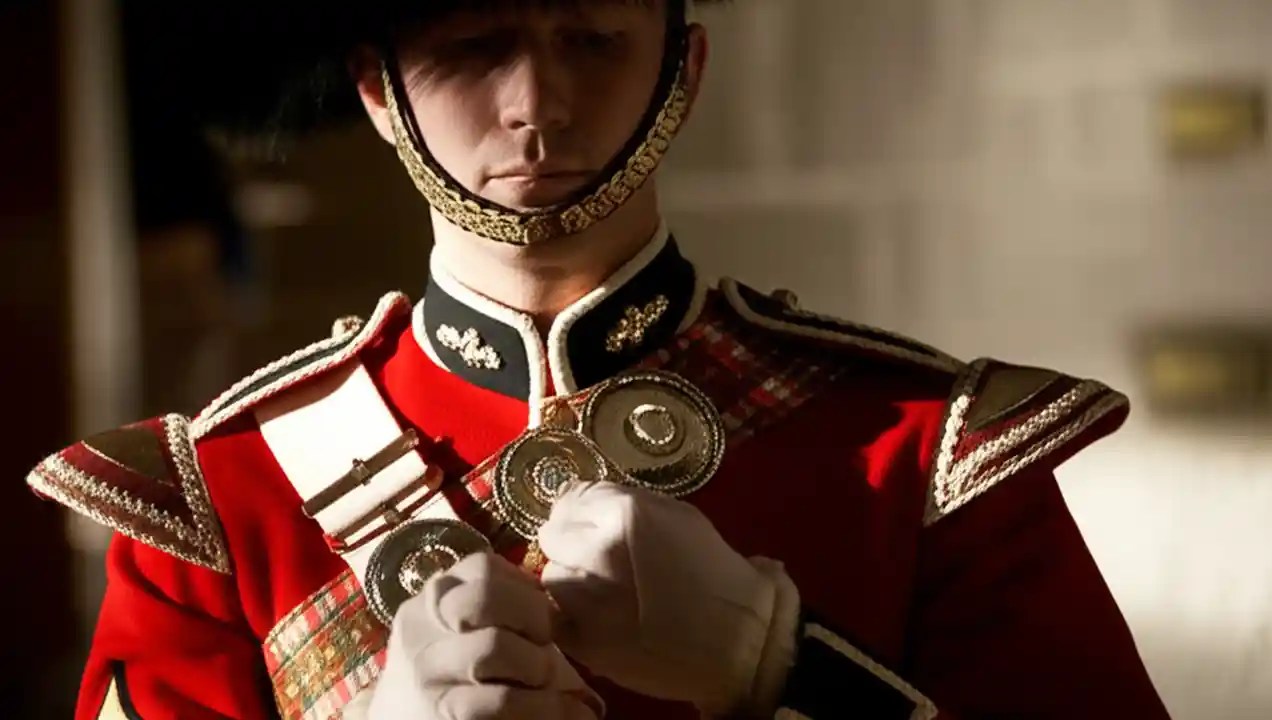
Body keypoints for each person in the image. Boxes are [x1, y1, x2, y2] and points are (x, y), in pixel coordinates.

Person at [28, 1, 1171, 718]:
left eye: (590, 38)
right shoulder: (218, 498)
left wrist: (782, 669)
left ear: (684, 65)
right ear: (378, 90)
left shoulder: (930, 450)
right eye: (474, 43)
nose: (538, 104)